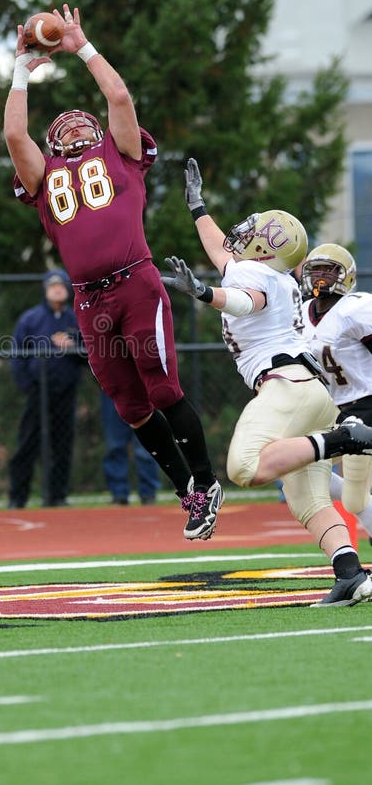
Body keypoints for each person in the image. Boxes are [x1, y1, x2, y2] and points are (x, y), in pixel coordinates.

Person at [3, 2, 222, 540]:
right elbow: (14, 138)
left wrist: (83, 48)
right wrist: (18, 71)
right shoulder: (47, 173)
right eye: (65, 126)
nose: (75, 126)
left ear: (98, 131)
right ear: (54, 144)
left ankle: (206, 480)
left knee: (163, 389)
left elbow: (119, 97)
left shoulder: (122, 154)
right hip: (88, 299)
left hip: (135, 284)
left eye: (84, 122)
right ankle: (187, 494)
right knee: (131, 405)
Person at [163, 157, 372, 606]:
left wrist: (203, 294)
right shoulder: (271, 271)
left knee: (244, 465)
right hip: (315, 388)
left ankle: (346, 439)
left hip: (288, 384)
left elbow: (243, 301)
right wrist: (198, 207)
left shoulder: (253, 277)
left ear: (264, 250)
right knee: (305, 496)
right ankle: (351, 574)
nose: (241, 234)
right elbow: (222, 252)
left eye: (253, 234)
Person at [300, 243, 372, 538]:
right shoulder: (301, 312)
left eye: (328, 270)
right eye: (315, 270)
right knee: (296, 464)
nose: (320, 276)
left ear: (346, 275)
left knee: (355, 497)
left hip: (365, 402)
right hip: (330, 406)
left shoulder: (356, 308)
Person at [9, 268, 84, 508]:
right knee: (28, 444)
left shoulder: (76, 318)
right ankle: (17, 497)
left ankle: (57, 496)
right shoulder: (31, 319)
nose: (57, 289)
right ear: (45, 290)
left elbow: (90, 353)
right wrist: (27, 386)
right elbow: (17, 355)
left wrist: (73, 346)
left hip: (65, 392)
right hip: (37, 392)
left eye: (61, 285)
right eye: (53, 286)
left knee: (62, 445)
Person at [100, 390, 162, 504]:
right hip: (112, 387)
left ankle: (148, 493)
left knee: (146, 446)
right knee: (115, 446)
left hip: (141, 387)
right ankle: (119, 494)